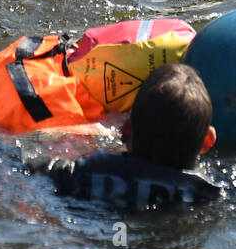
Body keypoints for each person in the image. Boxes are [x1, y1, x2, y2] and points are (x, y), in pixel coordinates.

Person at [31, 63, 220, 210]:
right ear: (207, 141)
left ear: (125, 129)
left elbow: (28, 166)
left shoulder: (86, 170)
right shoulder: (207, 192)